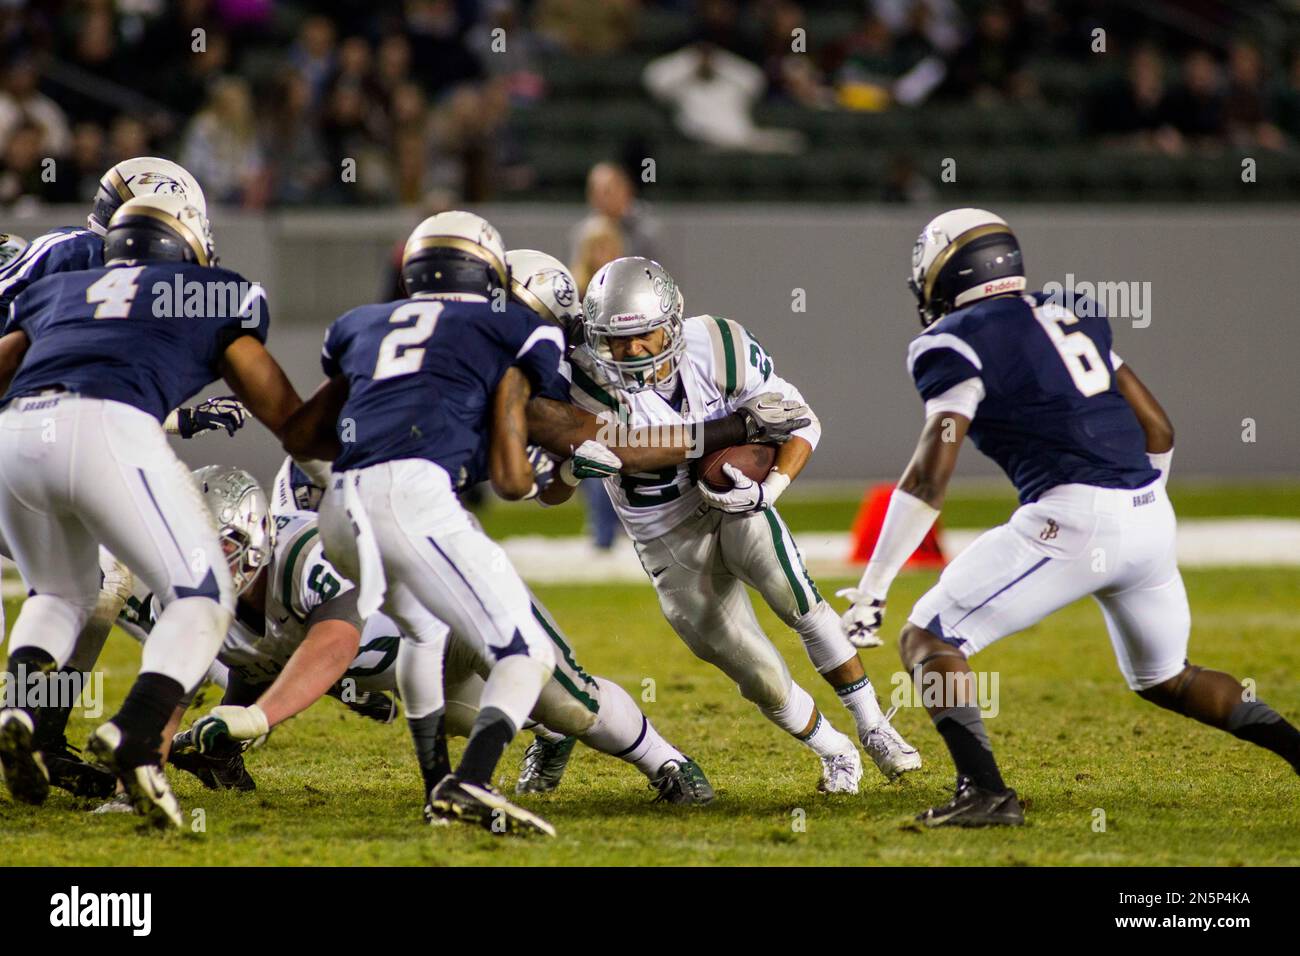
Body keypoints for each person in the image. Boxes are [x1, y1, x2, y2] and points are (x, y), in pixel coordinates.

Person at [838, 208, 1300, 826]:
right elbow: (1158, 427)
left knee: (928, 637)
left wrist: (873, 588)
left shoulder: (950, 341)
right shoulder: (1069, 310)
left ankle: (986, 794)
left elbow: (929, 474)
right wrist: (1139, 502)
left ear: (947, 273)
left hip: (1075, 519)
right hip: (1148, 515)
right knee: (1168, 677)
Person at [558, 256, 920, 795]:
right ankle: (835, 750)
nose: (631, 352)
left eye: (646, 337)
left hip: (732, 500)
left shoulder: (718, 346)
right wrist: (568, 465)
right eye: (616, 341)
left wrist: (767, 490)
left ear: (674, 324)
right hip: (664, 540)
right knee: (757, 672)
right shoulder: (582, 381)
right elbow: (584, 471)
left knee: (797, 599)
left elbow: (801, 421)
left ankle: (874, 726)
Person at [0, 193, 306, 829]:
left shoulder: (61, 288)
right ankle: (137, 733)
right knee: (203, 593)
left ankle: (23, 710)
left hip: (16, 439)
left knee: (60, 592)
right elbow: (279, 405)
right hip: (107, 434)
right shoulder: (215, 291)